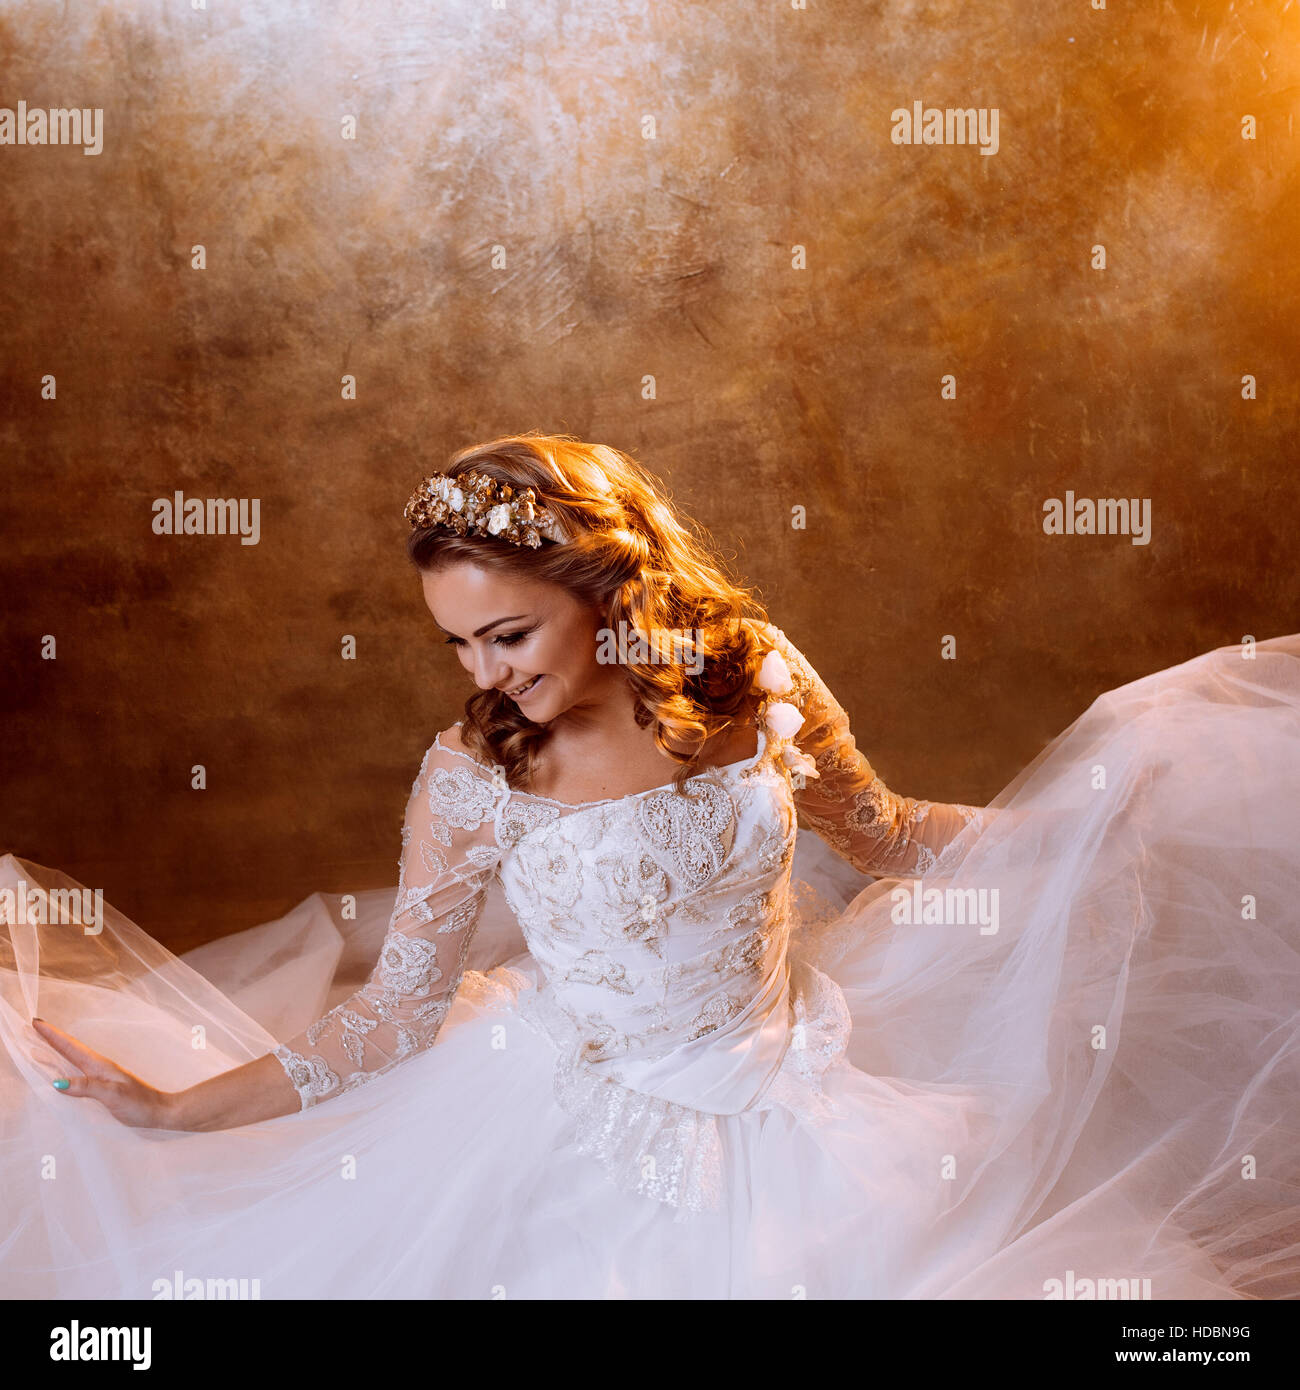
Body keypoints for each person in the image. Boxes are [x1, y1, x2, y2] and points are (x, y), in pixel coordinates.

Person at [2, 433, 1297, 1300]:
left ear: (608, 584)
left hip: (802, 1095)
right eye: (459, 646)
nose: (486, 673)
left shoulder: (752, 676)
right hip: (568, 1118)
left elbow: (890, 833)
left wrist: (1086, 816)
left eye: (506, 632)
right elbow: (391, 1014)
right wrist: (176, 1113)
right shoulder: (472, 772)